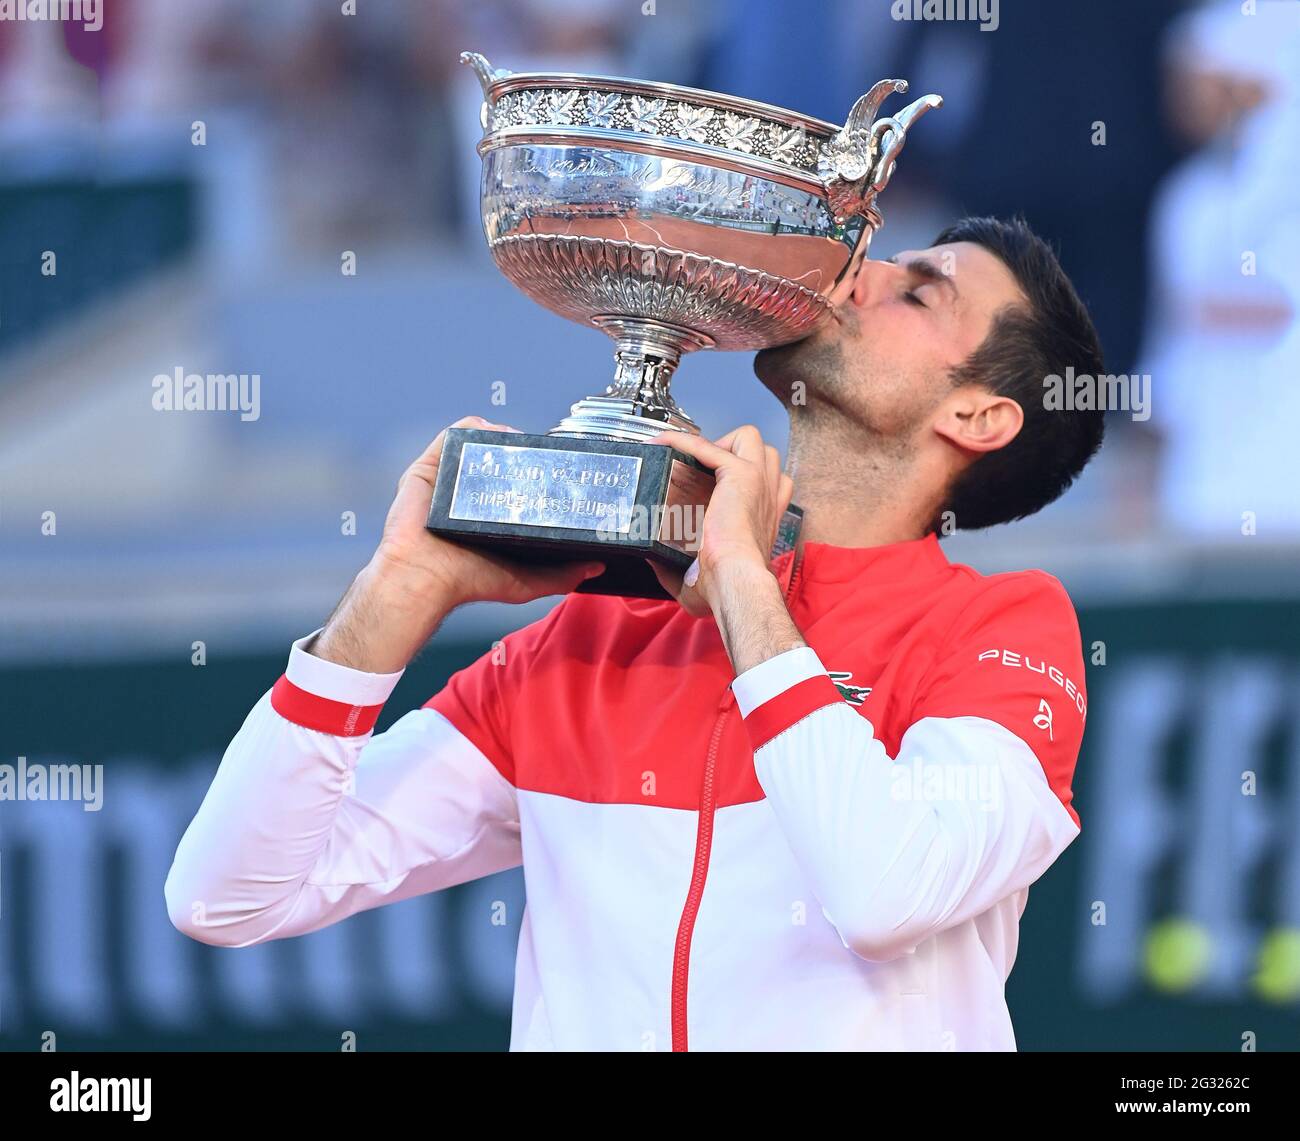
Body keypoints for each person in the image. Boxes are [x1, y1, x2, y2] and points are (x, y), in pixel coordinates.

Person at [166, 215, 1105, 1051]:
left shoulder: (999, 627)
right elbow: (227, 895)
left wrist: (742, 580)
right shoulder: (594, 637)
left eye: (920, 290)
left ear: (978, 415)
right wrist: (393, 596)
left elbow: (883, 889)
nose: (859, 275)